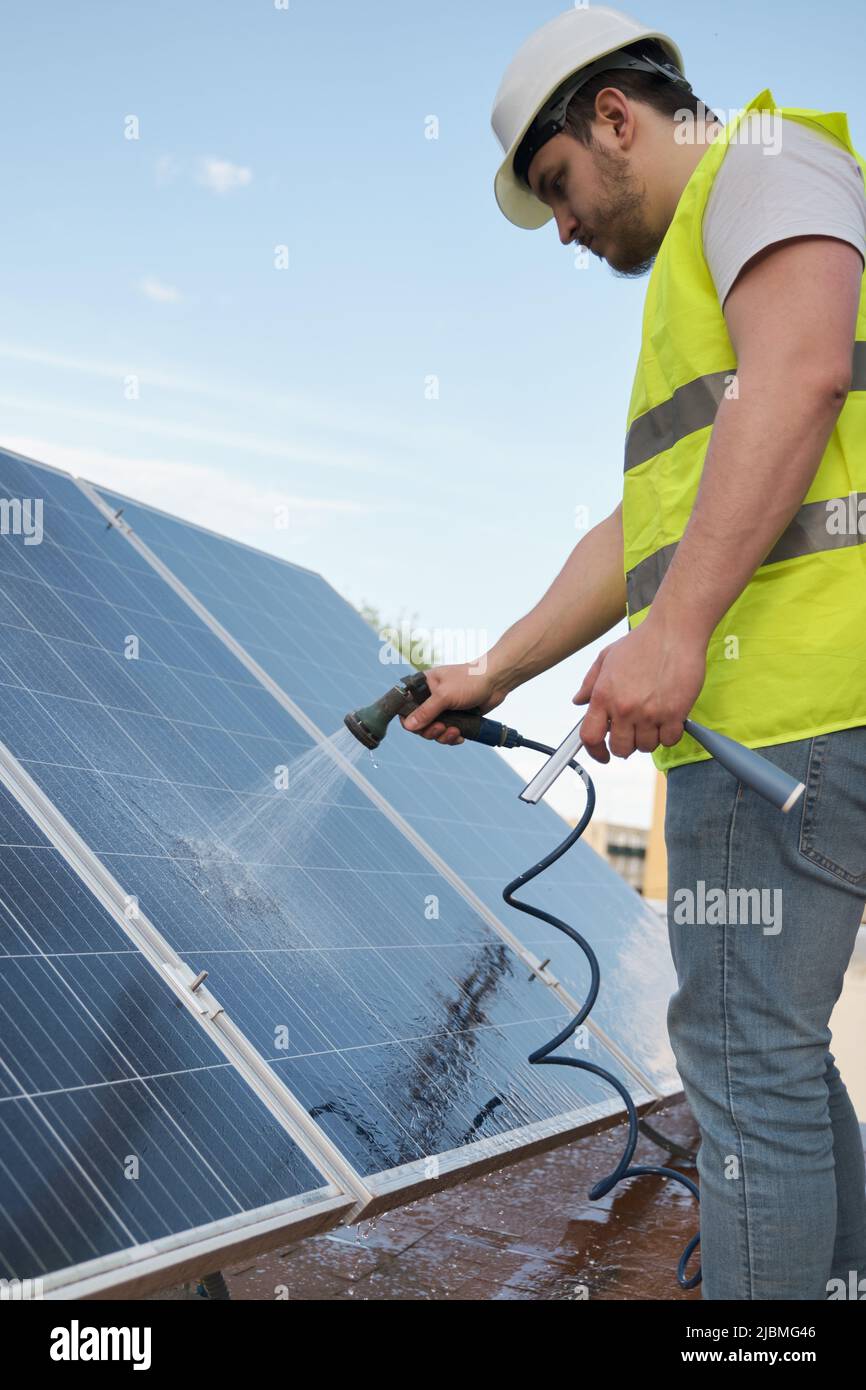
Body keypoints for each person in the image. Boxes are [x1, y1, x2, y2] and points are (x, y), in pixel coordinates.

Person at [400, 5, 866, 1301]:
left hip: (791, 721)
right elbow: (638, 530)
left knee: (740, 1056)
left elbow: (802, 372)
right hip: (769, 730)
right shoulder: (713, 246)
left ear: (614, 115)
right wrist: (493, 668)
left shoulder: (761, 162)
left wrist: (673, 635)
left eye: (555, 185)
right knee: (766, 1050)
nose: (560, 224)